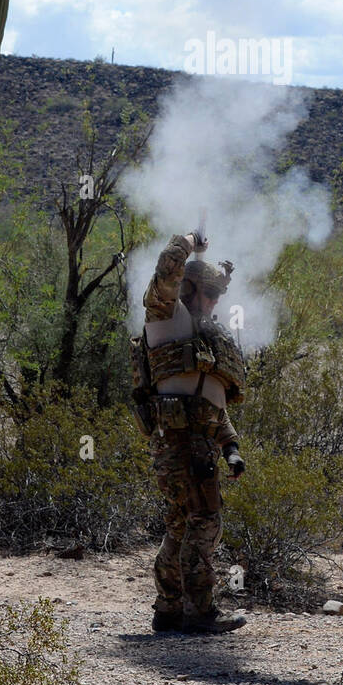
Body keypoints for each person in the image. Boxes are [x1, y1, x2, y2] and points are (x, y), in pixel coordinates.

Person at [131, 229, 247, 633]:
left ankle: (168, 609)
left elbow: (212, 404)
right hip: (179, 441)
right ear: (189, 290)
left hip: (197, 442)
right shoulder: (169, 319)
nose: (215, 302)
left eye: (219, 295)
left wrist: (230, 446)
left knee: (181, 523)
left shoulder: (203, 340)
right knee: (204, 520)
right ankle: (199, 613)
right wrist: (187, 240)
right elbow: (165, 272)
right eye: (209, 293)